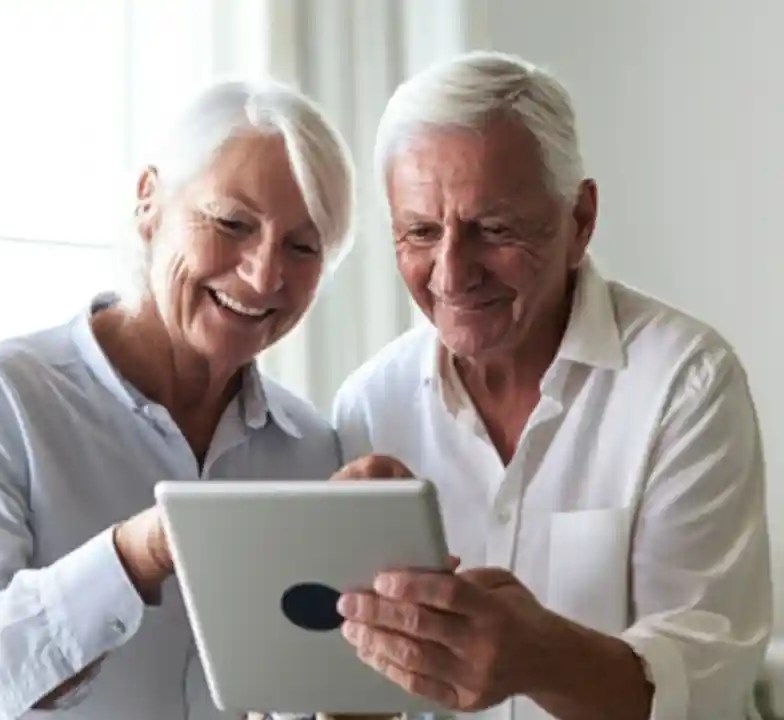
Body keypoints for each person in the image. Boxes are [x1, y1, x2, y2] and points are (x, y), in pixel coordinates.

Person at [0, 79, 358, 719]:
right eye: (231, 223)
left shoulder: (314, 450)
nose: (265, 274)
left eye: (303, 246)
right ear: (149, 203)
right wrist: (135, 556)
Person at [331, 51, 772, 719]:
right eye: (420, 232)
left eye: (494, 229)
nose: (451, 275)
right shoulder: (368, 405)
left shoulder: (686, 383)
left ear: (580, 221)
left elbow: (707, 684)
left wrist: (539, 657)